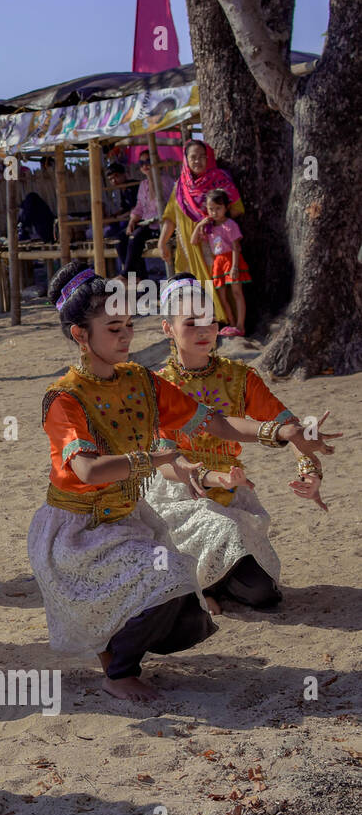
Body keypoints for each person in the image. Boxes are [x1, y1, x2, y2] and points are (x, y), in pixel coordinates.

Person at [27, 264, 335, 701]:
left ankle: (120, 656)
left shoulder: (141, 381)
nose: (126, 337)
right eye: (114, 328)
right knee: (167, 576)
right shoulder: (65, 398)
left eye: (129, 326)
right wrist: (158, 460)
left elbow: (214, 422)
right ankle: (117, 672)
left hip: (128, 517)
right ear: (80, 335)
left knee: (181, 594)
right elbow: (89, 471)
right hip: (74, 532)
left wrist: (282, 433)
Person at [146, 274, 336, 613]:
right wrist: (211, 478)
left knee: (265, 594)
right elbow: (165, 462)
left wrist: (310, 468)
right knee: (225, 537)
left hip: (232, 491)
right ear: (168, 328)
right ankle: (197, 588)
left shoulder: (239, 378)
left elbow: (286, 425)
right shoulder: (159, 386)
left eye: (210, 320)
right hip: (179, 494)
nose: (204, 330)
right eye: (191, 323)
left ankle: (210, 585)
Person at [157, 140, 243, 327]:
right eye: (193, 157)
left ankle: (224, 322)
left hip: (215, 245)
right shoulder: (180, 186)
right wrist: (162, 242)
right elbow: (171, 217)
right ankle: (199, 320)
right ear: (186, 160)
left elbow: (236, 208)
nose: (198, 161)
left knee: (219, 284)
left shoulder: (219, 180)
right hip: (188, 245)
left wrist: (214, 222)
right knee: (193, 283)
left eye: (202, 157)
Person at [190, 189, 251, 336]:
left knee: (237, 293)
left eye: (218, 208)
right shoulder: (209, 228)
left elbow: (236, 246)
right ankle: (231, 324)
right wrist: (199, 225)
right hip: (218, 263)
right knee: (222, 297)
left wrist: (235, 266)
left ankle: (240, 326)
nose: (215, 212)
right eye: (211, 209)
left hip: (231, 259)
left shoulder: (230, 225)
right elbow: (193, 241)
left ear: (226, 207)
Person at [120, 154, 173, 280]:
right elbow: (139, 206)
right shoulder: (143, 184)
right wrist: (132, 220)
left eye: (148, 161)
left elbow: (163, 203)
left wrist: (152, 179)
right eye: (141, 163)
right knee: (120, 238)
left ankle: (127, 274)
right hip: (146, 223)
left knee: (135, 238)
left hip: (160, 224)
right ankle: (139, 276)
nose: (145, 165)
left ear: (156, 162)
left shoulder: (166, 181)